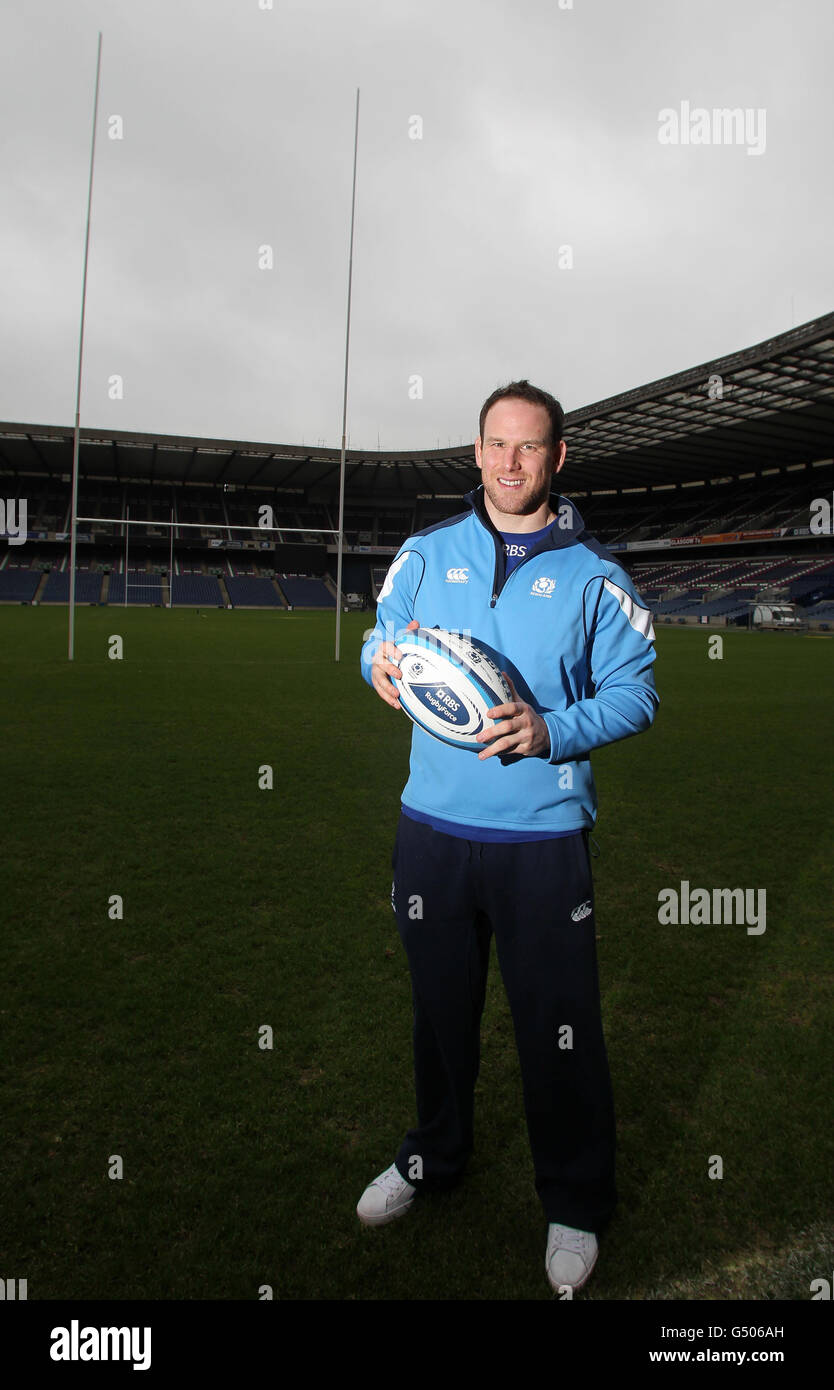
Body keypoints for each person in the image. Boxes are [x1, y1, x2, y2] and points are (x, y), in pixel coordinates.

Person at [357, 380, 658, 1295]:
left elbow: (637, 694)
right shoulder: (424, 552)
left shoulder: (599, 576)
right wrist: (379, 666)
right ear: (476, 450)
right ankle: (433, 1156)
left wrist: (550, 730)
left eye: (529, 447)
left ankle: (573, 1201)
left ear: (557, 458)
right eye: (496, 444)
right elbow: (381, 639)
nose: (509, 462)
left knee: (558, 1027)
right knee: (437, 1015)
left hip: (541, 839)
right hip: (433, 835)